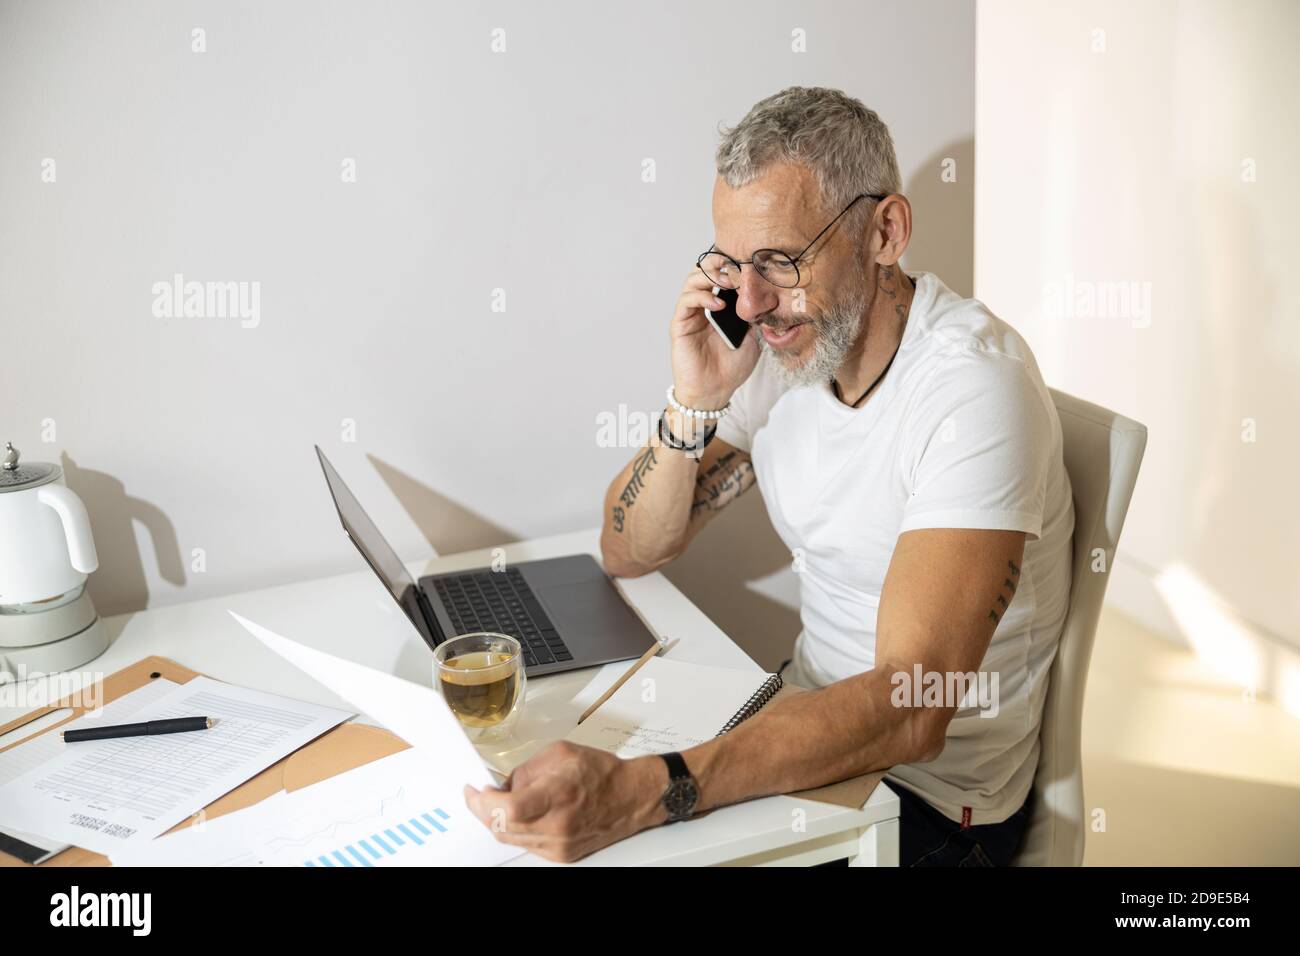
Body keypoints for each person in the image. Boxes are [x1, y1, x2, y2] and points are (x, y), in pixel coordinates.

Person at [466, 86, 1074, 866]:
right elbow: (631, 550)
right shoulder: (786, 353)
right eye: (734, 265)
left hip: (923, 805)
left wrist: (655, 789)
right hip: (795, 718)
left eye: (781, 261)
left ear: (885, 231)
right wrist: (694, 401)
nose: (750, 303)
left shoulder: (973, 389)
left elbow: (908, 710)